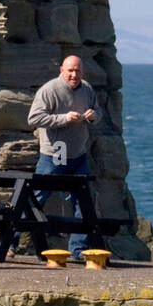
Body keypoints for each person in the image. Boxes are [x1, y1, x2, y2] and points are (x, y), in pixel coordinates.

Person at [19, 54, 101, 259]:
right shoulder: (49, 90)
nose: (74, 75)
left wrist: (93, 117)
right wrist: (63, 118)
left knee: (83, 202)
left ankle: (77, 250)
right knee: (37, 198)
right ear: (61, 70)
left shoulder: (87, 89)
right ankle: (11, 241)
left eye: (78, 71)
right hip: (56, 152)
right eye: (70, 70)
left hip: (78, 153)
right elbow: (34, 118)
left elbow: (98, 112)